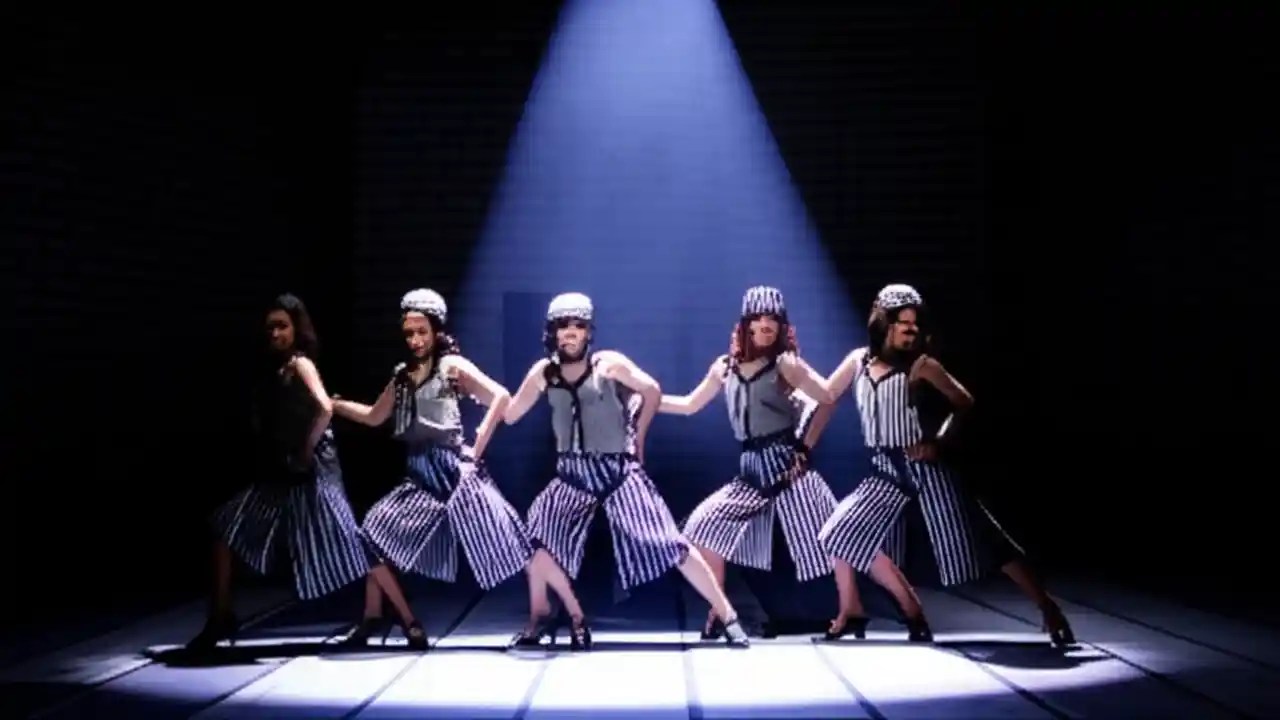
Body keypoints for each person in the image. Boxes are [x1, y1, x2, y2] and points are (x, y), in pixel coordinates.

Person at [812, 283, 1075, 645]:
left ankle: (1048, 607)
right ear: (883, 323)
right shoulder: (858, 361)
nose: (911, 330)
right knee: (839, 532)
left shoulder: (922, 365)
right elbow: (825, 396)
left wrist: (937, 441)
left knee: (982, 537)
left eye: (915, 324)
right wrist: (798, 416)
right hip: (884, 469)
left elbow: (963, 401)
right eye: (903, 323)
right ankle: (885, 611)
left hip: (923, 469)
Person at [331, 289, 586, 650]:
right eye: (409, 333)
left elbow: (499, 396)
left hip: (455, 473)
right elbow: (375, 416)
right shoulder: (403, 375)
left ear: (436, 330)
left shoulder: (451, 366)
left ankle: (571, 614)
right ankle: (399, 620)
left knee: (518, 545)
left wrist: (477, 447)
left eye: (422, 331)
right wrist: (335, 405)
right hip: (419, 476)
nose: (416, 340)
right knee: (370, 538)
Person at [661, 286, 917, 640]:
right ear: (746, 323)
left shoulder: (785, 363)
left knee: (847, 539)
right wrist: (645, 396)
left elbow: (827, 397)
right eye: (759, 318)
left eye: (773, 319)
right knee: (701, 529)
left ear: (782, 326)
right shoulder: (725, 366)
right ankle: (721, 612)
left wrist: (806, 443)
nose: (765, 325)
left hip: (789, 471)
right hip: (752, 474)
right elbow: (690, 405)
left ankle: (899, 610)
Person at [504, 292, 751, 648]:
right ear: (553, 332)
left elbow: (655, 392)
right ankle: (551, 614)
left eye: (578, 326)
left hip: (618, 472)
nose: (571, 333)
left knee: (671, 545)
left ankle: (727, 614)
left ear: (589, 331)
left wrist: (640, 438)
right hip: (573, 474)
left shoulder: (609, 365)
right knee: (535, 541)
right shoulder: (545, 373)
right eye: (563, 326)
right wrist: (482, 393)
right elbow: (511, 413)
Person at [187, 293, 371, 651]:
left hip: (314, 470)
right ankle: (221, 613)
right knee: (225, 527)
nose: (275, 333)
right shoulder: (275, 368)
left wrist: (306, 447)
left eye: (282, 326)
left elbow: (324, 407)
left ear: (296, 328)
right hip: (283, 472)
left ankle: (390, 611)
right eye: (270, 327)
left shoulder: (300, 363)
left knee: (349, 540)